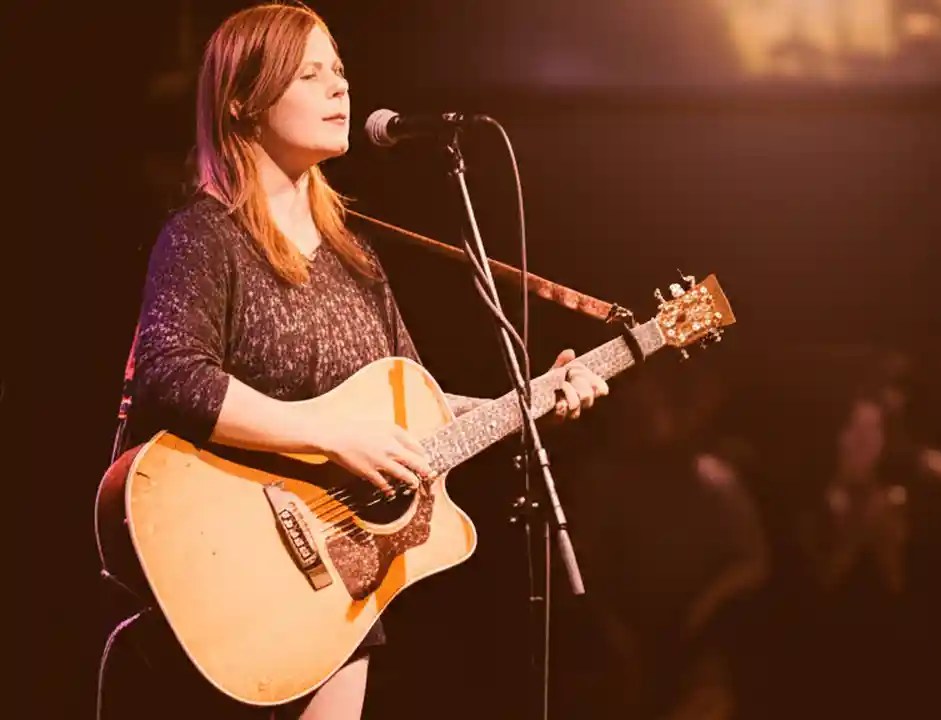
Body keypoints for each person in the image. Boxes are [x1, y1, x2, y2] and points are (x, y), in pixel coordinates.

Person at [99, 3, 608, 718]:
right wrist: (330, 435)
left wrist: (537, 399)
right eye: (311, 74)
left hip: (332, 608)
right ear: (244, 99)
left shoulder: (356, 260)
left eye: (339, 70)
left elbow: (416, 413)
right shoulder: (204, 238)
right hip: (219, 589)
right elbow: (172, 374)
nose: (341, 87)